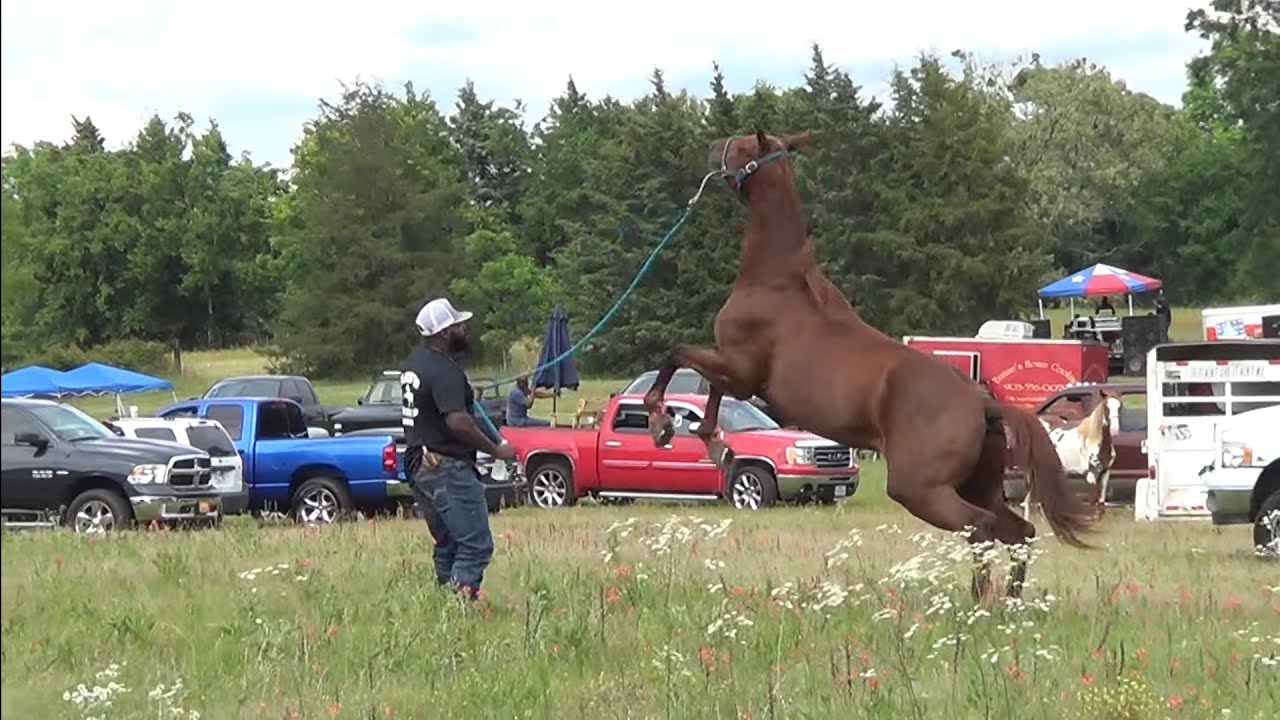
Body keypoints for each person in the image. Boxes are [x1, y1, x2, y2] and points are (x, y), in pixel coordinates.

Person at [401, 297, 517, 601]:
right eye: (458, 326)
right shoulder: (444, 371)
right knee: (476, 544)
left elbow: (436, 400)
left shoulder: (417, 362)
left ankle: (445, 608)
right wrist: (496, 450)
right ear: (443, 333)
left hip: (418, 463)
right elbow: (458, 423)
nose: (464, 329)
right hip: (446, 467)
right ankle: (458, 608)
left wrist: (464, 393)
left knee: (449, 543)